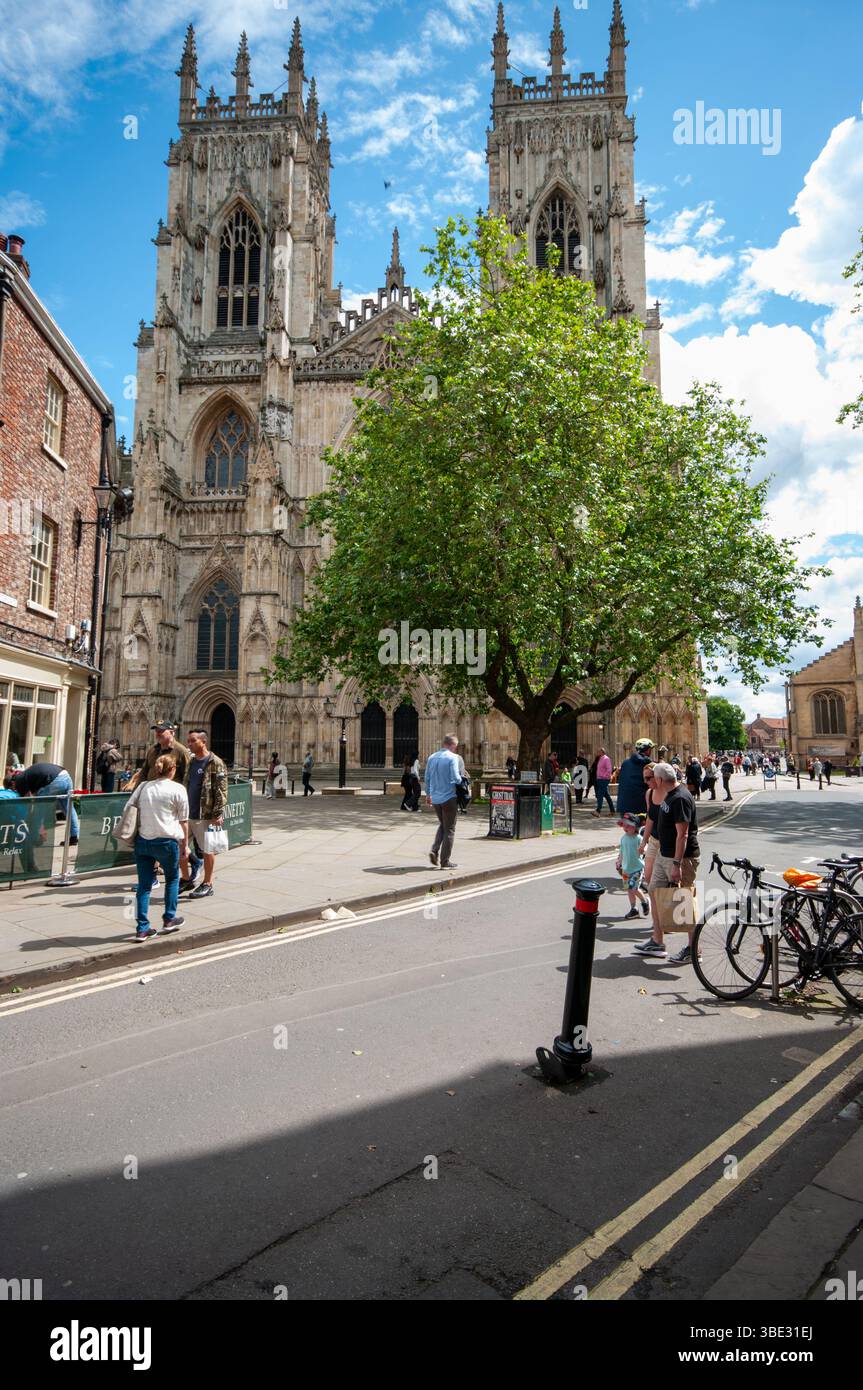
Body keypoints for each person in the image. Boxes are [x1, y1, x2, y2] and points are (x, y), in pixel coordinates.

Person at [634, 761, 700, 964]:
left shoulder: (679, 798)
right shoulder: (669, 795)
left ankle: (693, 949)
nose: (650, 781)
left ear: (660, 779)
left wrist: (676, 864)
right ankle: (657, 941)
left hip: (681, 858)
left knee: (684, 901)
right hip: (665, 853)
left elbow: (683, 834)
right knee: (654, 890)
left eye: (653, 777)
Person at [131, 753, 188, 942]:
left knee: (144, 886)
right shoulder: (178, 789)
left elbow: (131, 809)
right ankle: (169, 919)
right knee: (172, 879)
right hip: (166, 842)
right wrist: (185, 845)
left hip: (143, 841)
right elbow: (183, 821)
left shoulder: (143, 787)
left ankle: (142, 929)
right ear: (172, 770)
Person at [179, 728, 228, 901]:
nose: (189, 744)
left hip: (204, 814)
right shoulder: (191, 762)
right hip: (187, 814)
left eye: (192, 741)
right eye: (189, 741)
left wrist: (218, 813)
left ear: (203, 742)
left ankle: (208, 883)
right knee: (180, 845)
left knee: (208, 850)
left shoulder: (215, 762)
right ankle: (186, 879)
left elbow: (221, 789)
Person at [13, 760, 80, 844]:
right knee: (69, 809)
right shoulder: (28, 774)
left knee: (38, 810)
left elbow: (27, 801)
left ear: (13, 783)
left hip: (54, 779)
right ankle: (74, 837)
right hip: (66, 776)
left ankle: (35, 838)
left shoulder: (19, 781)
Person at [424, 734, 462, 869]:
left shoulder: (431, 757)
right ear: (452, 745)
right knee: (450, 829)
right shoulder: (453, 758)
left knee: (443, 825)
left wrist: (428, 795)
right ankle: (445, 861)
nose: (455, 749)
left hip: (436, 798)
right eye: (455, 747)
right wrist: (462, 779)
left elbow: (427, 778)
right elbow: (456, 778)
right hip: (449, 797)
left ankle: (434, 850)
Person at [127, 722, 191, 790]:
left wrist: (182, 793)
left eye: (161, 731)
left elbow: (187, 776)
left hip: (170, 794)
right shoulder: (152, 750)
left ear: (172, 733)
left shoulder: (181, 751)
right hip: (151, 793)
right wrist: (136, 790)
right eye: (156, 731)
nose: (157, 734)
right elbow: (144, 772)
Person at [616, 812, 650, 921]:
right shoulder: (623, 838)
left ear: (635, 827)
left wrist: (643, 850)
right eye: (624, 825)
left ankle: (645, 901)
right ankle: (634, 909)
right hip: (626, 869)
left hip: (637, 868)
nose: (625, 828)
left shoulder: (639, 838)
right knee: (629, 890)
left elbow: (646, 849)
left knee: (633, 888)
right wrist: (618, 861)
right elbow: (622, 851)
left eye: (628, 825)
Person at [616, 738, 656, 817]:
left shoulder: (625, 763)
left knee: (630, 828)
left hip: (624, 806)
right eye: (650, 749)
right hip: (640, 806)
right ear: (648, 750)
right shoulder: (649, 765)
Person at [593, 747, 615, 817]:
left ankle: (598, 811)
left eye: (598, 751)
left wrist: (604, 776)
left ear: (602, 752)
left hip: (604, 779)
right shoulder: (601, 759)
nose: (597, 752)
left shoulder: (606, 759)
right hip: (600, 779)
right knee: (606, 795)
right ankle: (612, 811)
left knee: (600, 795)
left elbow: (609, 769)